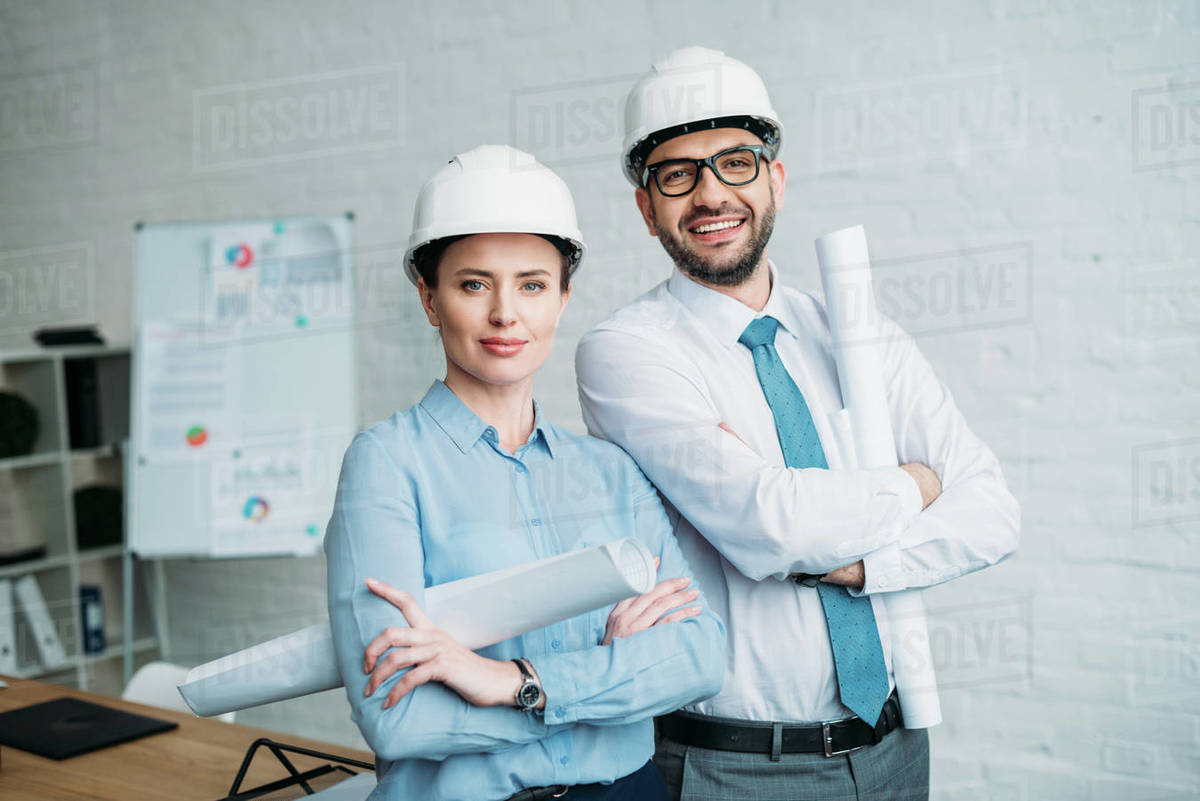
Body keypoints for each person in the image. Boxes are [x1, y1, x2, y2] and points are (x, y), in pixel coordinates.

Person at [575, 47, 1021, 800]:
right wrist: (916, 484)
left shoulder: (854, 330)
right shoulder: (626, 352)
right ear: (647, 209)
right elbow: (774, 523)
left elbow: (994, 511)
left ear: (775, 180)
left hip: (897, 746)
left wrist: (861, 565)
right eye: (678, 174)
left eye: (736, 163)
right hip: (736, 767)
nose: (711, 194)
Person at [323, 144, 725, 801]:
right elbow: (395, 712)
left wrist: (512, 681)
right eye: (473, 284)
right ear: (429, 297)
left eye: (532, 285)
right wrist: (612, 680)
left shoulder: (610, 471)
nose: (505, 313)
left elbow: (701, 658)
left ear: (562, 299)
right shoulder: (387, 464)